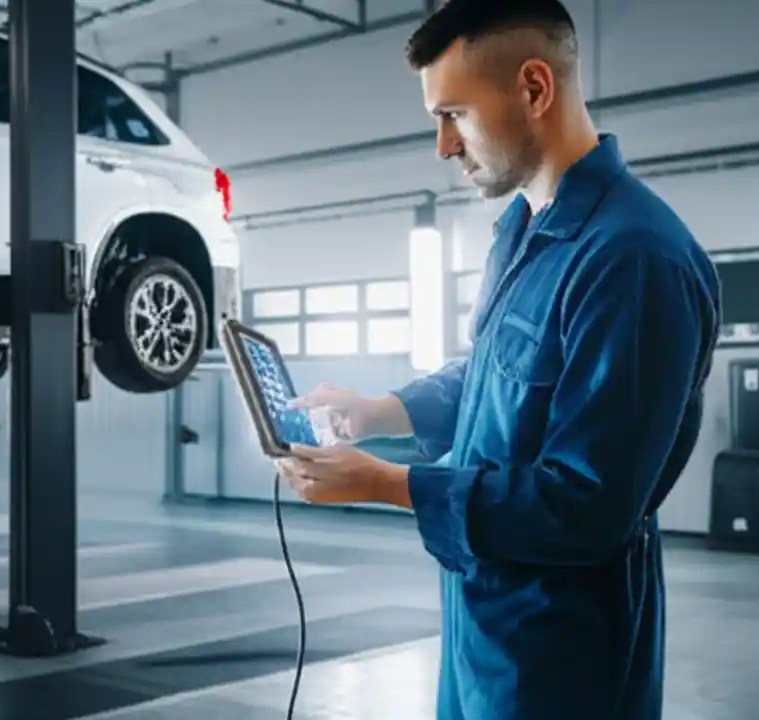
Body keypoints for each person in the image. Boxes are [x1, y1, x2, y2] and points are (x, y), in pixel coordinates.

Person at [278, 0, 721, 718]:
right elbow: (496, 375)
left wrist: (394, 485)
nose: (442, 146)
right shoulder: (524, 232)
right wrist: (380, 412)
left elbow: (587, 506)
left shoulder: (632, 260)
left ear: (534, 88)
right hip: (486, 627)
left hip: (563, 656)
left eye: (453, 113)